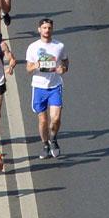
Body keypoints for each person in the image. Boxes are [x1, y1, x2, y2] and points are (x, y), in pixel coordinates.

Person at [24, 17, 68, 159]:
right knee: (43, 121)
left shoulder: (59, 46)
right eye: (44, 28)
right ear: (39, 30)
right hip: (39, 87)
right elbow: (28, 68)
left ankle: (53, 139)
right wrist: (35, 66)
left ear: (52, 29)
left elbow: (65, 61)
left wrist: (64, 68)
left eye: (49, 28)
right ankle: (45, 145)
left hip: (55, 86)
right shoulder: (33, 47)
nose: (47, 30)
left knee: (55, 119)